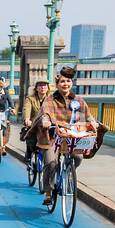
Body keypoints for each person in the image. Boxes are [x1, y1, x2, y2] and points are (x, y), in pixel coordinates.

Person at [39, 66, 99, 207]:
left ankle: (68, 172)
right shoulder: (49, 99)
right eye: (62, 81)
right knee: (50, 162)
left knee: (78, 157)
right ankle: (48, 191)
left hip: (73, 136)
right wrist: (45, 121)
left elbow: (88, 115)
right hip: (53, 136)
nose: (65, 84)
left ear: (71, 83)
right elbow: (45, 113)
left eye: (68, 81)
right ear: (57, 84)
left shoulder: (78, 100)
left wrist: (92, 122)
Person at [21, 78, 49, 169]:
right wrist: (27, 119)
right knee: (30, 138)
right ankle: (29, 154)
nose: (43, 87)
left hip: (46, 125)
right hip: (34, 124)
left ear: (48, 88)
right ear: (36, 88)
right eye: (40, 85)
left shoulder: (51, 99)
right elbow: (27, 109)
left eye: (45, 85)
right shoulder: (30, 99)